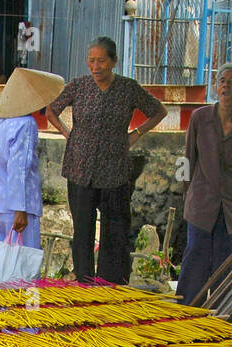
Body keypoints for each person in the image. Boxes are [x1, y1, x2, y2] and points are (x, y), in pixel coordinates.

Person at [46, 37, 167, 284]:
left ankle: (110, 282)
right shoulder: (78, 86)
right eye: (91, 61)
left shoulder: (128, 88)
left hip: (115, 168)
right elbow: (51, 110)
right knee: (83, 228)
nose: (96, 66)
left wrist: (136, 134)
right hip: (80, 167)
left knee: (116, 227)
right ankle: (85, 281)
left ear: (113, 61)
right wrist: (69, 134)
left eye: (101, 61)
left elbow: (159, 111)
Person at [177, 63, 232, 305]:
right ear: (215, 86)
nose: (226, 85)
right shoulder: (200, 118)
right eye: (222, 80)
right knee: (196, 255)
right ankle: (188, 309)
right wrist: (187, 195)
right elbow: (187, 157)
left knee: (228, 258)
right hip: (202, 199)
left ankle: (223, 310)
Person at [0, 68, 66, 260]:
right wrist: (20, 208)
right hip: (14, 207)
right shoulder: (26, 124)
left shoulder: (0, 122)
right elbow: (19, 168)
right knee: (22, 263)